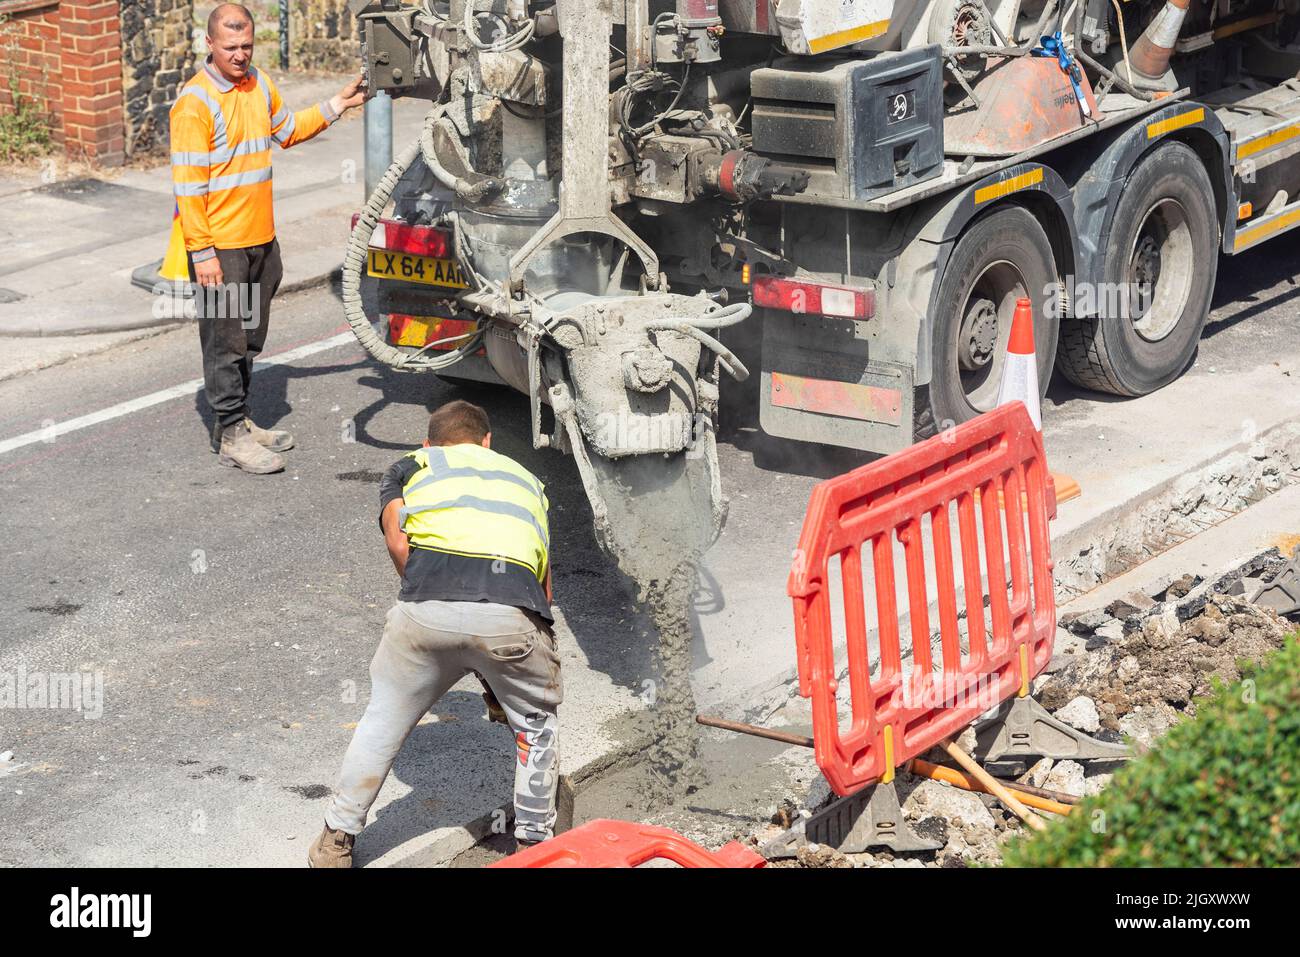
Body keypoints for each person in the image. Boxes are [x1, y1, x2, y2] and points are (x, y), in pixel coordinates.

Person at [309, 400, 562, 868]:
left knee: (382, 720)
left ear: (430, 443)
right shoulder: (527, 480)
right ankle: (534, 848)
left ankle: (335, 842)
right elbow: (541, 577)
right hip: (513, 616)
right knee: (535, 729)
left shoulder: (412, 466)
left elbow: (397, 539)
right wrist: (523, 660)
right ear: (487, 442)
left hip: (425, 612)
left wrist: (430, 595)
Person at [169, 3, 368, 473]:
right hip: (221, 250)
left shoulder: (257, 84)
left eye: (246, 46)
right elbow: (188, 189)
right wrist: (203, 253)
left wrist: (337, 104)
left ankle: (238, 420)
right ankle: (232, 435)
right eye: (230, 47)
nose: (240, 55)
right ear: (209, 44)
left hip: (261, 242)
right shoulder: (195, 104)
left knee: (250, 339)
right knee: (224, 341)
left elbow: (287, 130)